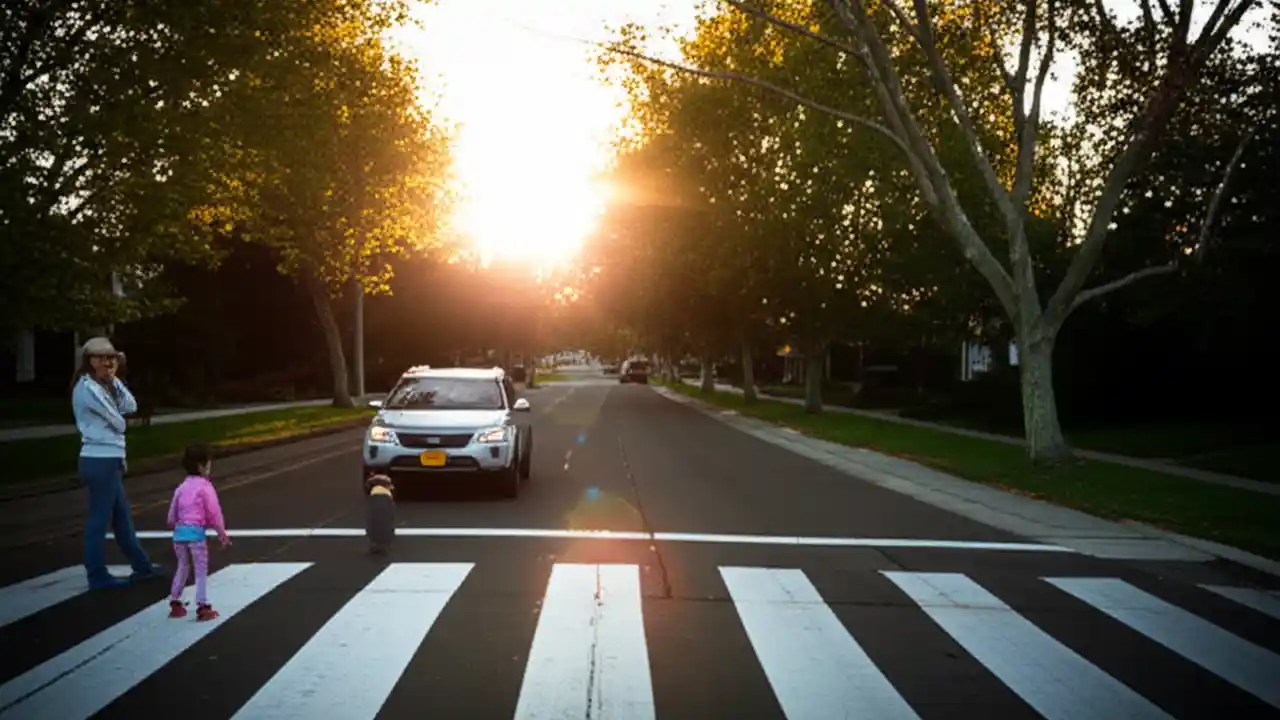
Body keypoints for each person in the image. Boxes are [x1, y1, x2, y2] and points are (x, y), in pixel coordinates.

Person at [71, 336, 165, 589]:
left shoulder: (104, 386)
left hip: (108, 459)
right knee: (98, 521)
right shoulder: (88, 388)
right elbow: (120, 421)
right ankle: (96, 575)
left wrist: (114, 381)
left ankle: (142, 566)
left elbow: (130, 406)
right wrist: (114, 401)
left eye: (111, 358)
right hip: (98, 460)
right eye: (101, 358)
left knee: (122, 518)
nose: (107, 363)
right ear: (89, 361)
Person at [166, 443, 230, 621]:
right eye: (208, 465)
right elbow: (214, 512)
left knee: (182, 566)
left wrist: (177, 525)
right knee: (201, 570)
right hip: (196, 534)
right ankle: (203, 605)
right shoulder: (205, 487)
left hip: (179, 534)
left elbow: (171, 516)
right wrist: (222, 534)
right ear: (202, 466)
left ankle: (176, 601)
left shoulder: (180, 488)